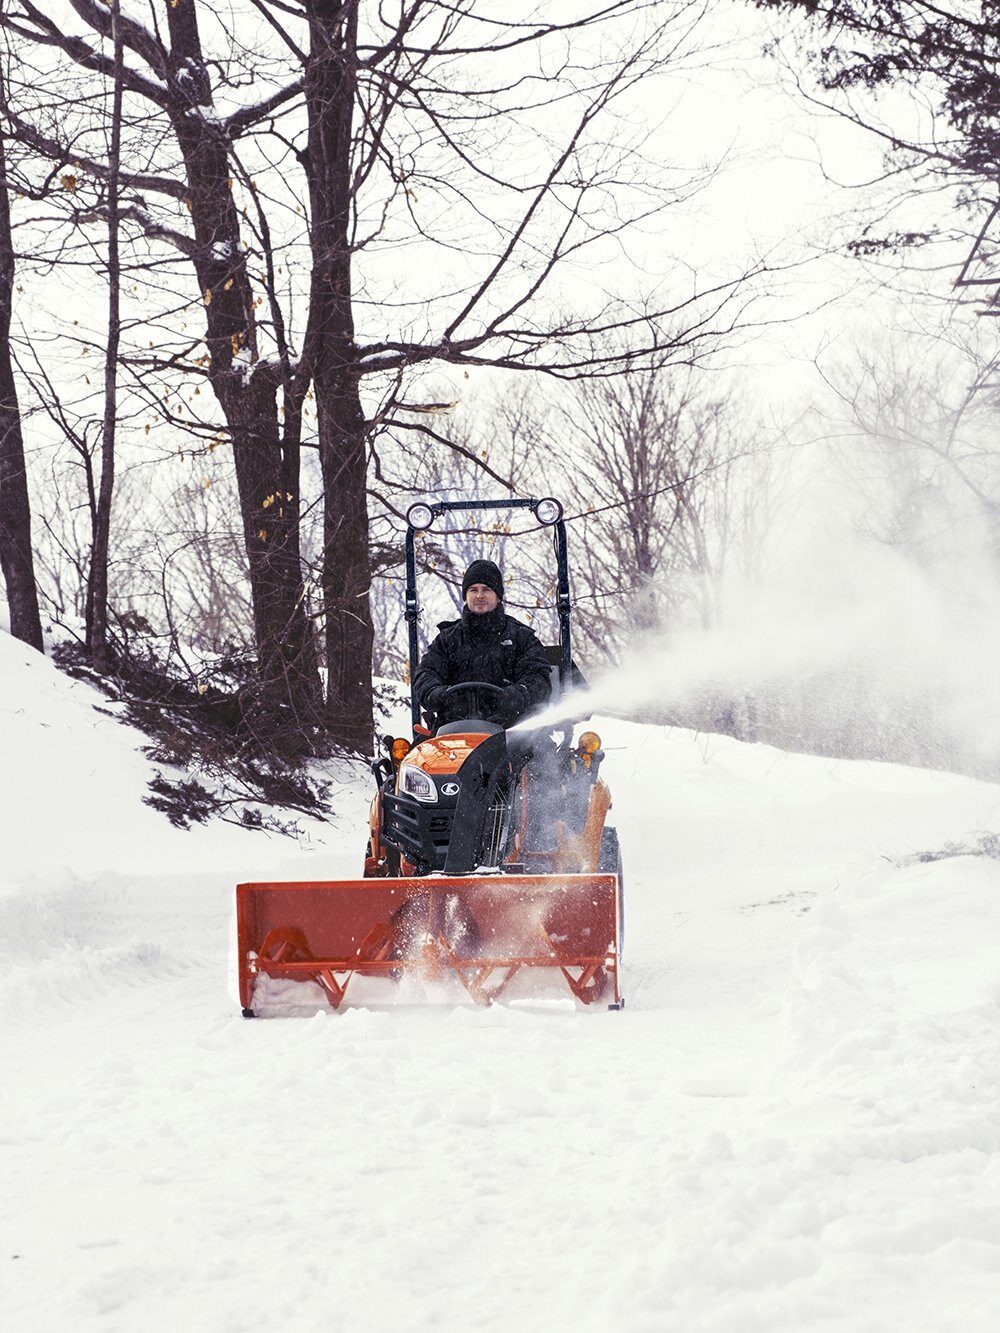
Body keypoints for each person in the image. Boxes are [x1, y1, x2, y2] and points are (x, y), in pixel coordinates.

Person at [413, 559, 552, 730]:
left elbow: (538, 679)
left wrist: (516, 695)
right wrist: (438, 694)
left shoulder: (521, 638)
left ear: (498, 596)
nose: (479, 595)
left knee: (541, 753)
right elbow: (426, 674)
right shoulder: (447, 639)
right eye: (473, 590)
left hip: (512, 733)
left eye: (486, 589)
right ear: (466, 596)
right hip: (454, 732)